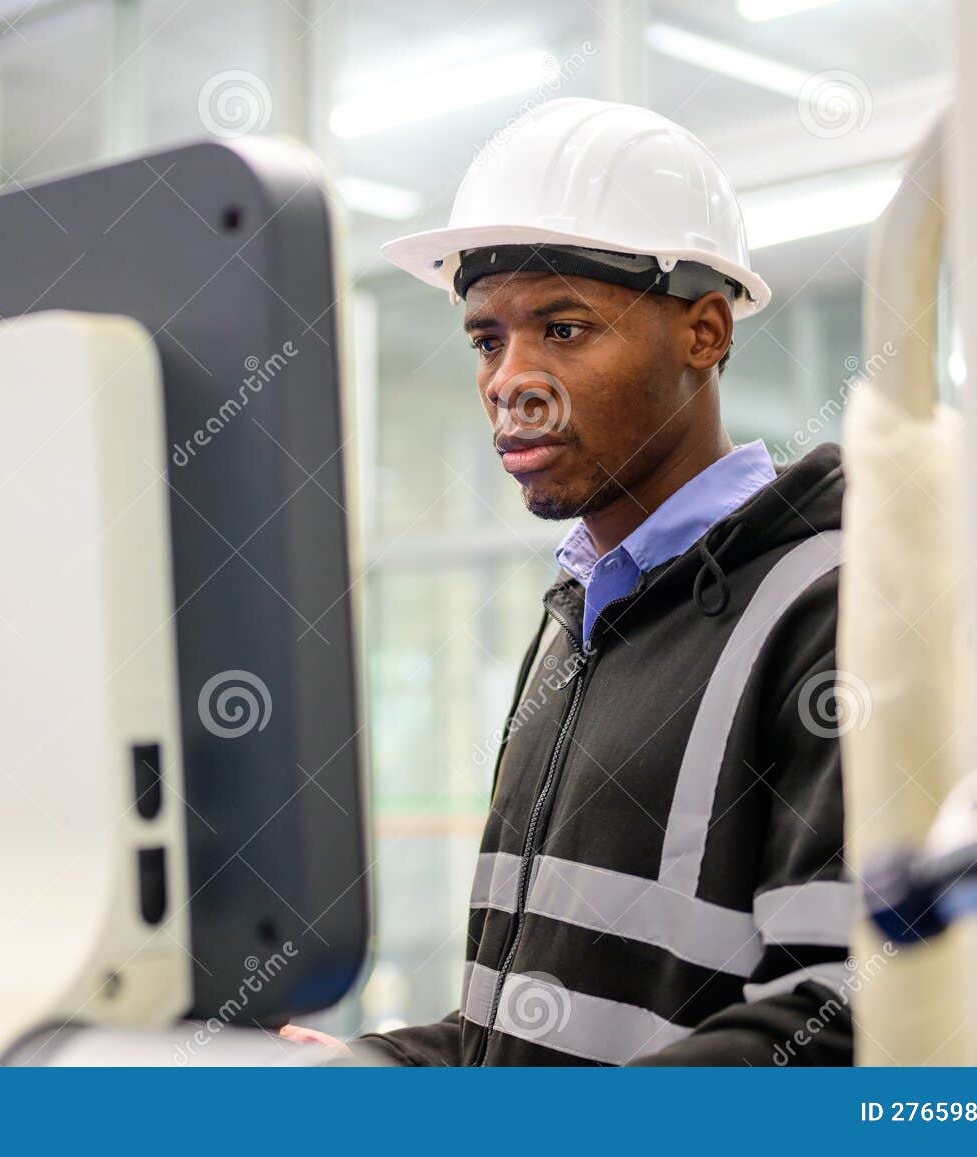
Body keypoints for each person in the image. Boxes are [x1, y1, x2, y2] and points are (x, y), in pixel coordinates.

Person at [287, 97, 854, 1065]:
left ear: (704, 332)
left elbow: (841, 1015)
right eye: (485, 339)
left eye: (562, 327)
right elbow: (525, 1031)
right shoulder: (580, 615)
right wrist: (366, 1070)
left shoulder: (830, 599)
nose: (511, 379)